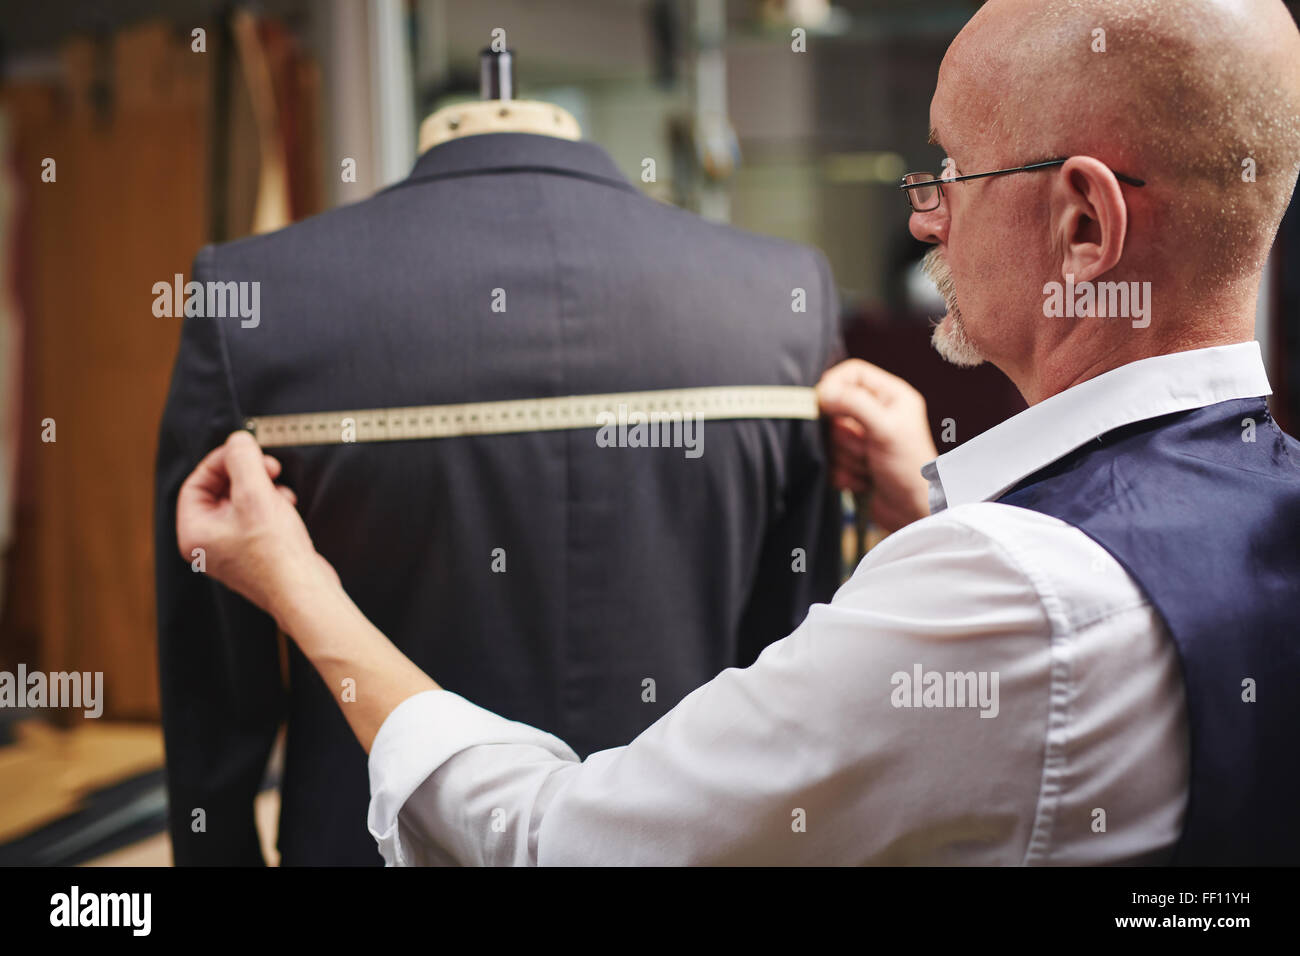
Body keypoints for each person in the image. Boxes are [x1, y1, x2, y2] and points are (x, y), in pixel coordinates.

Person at [176, 0, 1300, 865]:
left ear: (1084, 222)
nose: (924, 214)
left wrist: (296, 585)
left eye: (951, 169)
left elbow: (560, 843)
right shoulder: (1259, 505)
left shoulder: (1008, 594)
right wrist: (944, 505)